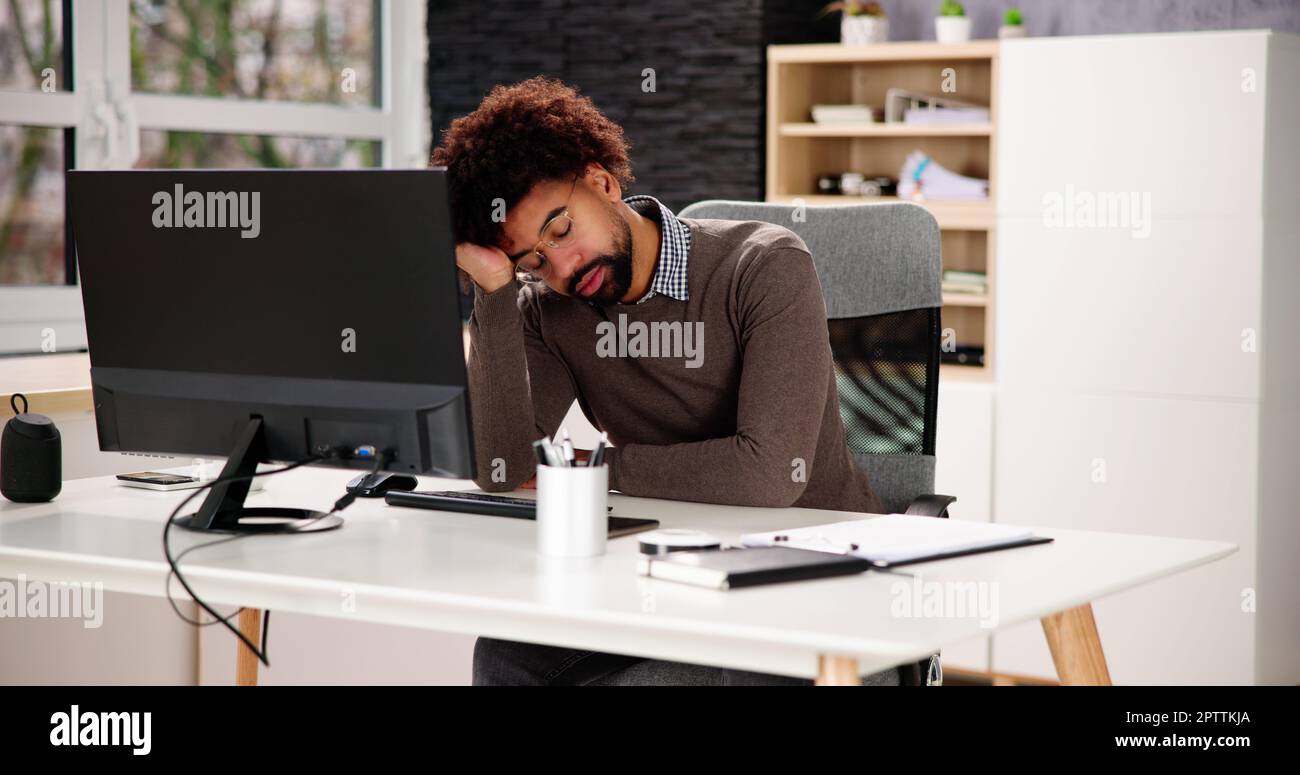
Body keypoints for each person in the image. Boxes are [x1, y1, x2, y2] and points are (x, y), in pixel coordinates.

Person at [431, 77, 891, 685]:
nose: (563, 268)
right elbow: (499, 469)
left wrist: (582, 474)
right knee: (507, 655)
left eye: (562, 230)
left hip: (817, 575)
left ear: (603, 182)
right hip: (670, 572)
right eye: (533, 260)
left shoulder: (764, 265)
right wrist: (494, 294)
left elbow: (771, 473)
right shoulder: (547, 309)